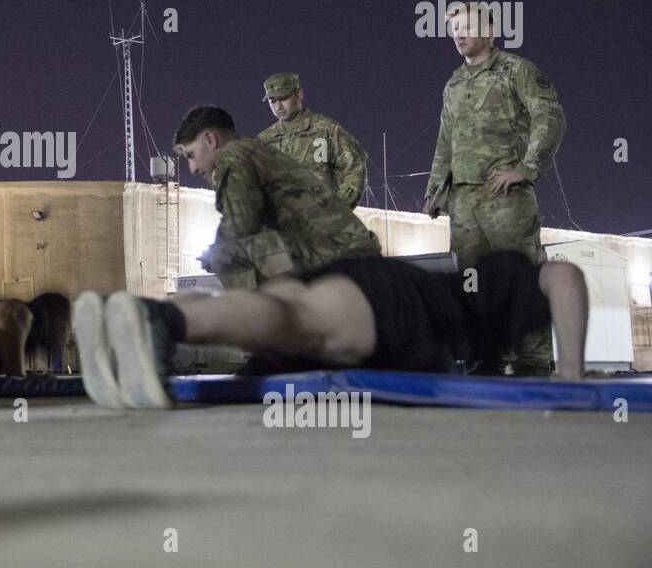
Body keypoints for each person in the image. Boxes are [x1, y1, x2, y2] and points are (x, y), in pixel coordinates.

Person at [72, 250, 588, 409]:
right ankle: (161, 321)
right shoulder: (502, 275)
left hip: (367, 281)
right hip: (405, 307)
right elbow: (565, 275)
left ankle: (139, 313)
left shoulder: (478, 280)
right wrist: (570, 375)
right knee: (301, 322)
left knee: (283, 308)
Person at [422, 1, 566, 375]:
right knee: (471, 282)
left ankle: (532, 362)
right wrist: (436, 190)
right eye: (453, 29)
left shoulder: (516, 70)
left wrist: (527, 168)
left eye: (467, 27)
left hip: (505, 197)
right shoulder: (454, 82)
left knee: (520, 276)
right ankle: (485, 356)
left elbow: (549, 118)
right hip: (464, 202)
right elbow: (445, 140)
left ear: (489, 31)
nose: (459, 35)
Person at [173, 104, 380, 290]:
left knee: (226, 254)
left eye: (191, 155)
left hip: (341, 258)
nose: (192, 168)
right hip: (353, 252)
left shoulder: (233, 155)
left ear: (210, 139)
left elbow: (240, 226)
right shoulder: (256, 149)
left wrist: (211, 254)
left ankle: (272, 318)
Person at [257, 72, 368, 206]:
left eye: (284, 98)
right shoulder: (264, 140)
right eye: (273, 101)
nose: (278, 106)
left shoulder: (325, 129)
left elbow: (354, 166)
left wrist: (337, 209)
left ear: (299, 94)